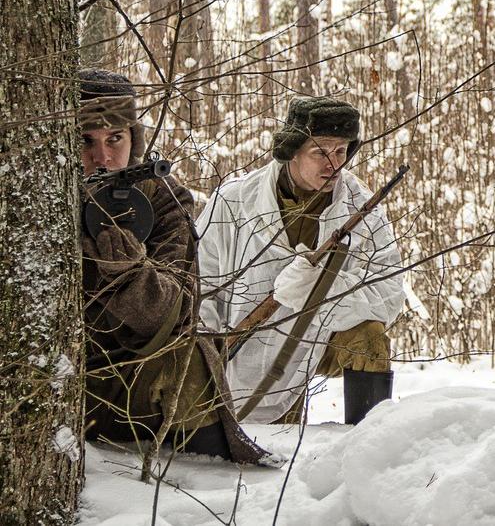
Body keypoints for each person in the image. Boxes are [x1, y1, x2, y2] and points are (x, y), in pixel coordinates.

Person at [79, 69, 266, 463]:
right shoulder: (30, 203)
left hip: (137, 382)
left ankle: (212, 481)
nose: (102, 157)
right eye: (86, 141)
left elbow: (176, 315)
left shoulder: (162, 200)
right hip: (63, 387)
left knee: (192, 354)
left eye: (115, 139)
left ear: (134, 138)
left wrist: (129, 274)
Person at [197, 96, 406, 425]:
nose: (333, 164)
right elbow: (200, 283)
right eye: (321, 152)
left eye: (341, 151)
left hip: (315, 340)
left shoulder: (360, 207)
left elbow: (389, 292)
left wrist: (322, 288)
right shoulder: (234, 201)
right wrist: (207, 352)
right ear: (292, 150)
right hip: (238, 345)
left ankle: (366, 449)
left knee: (370, 339)